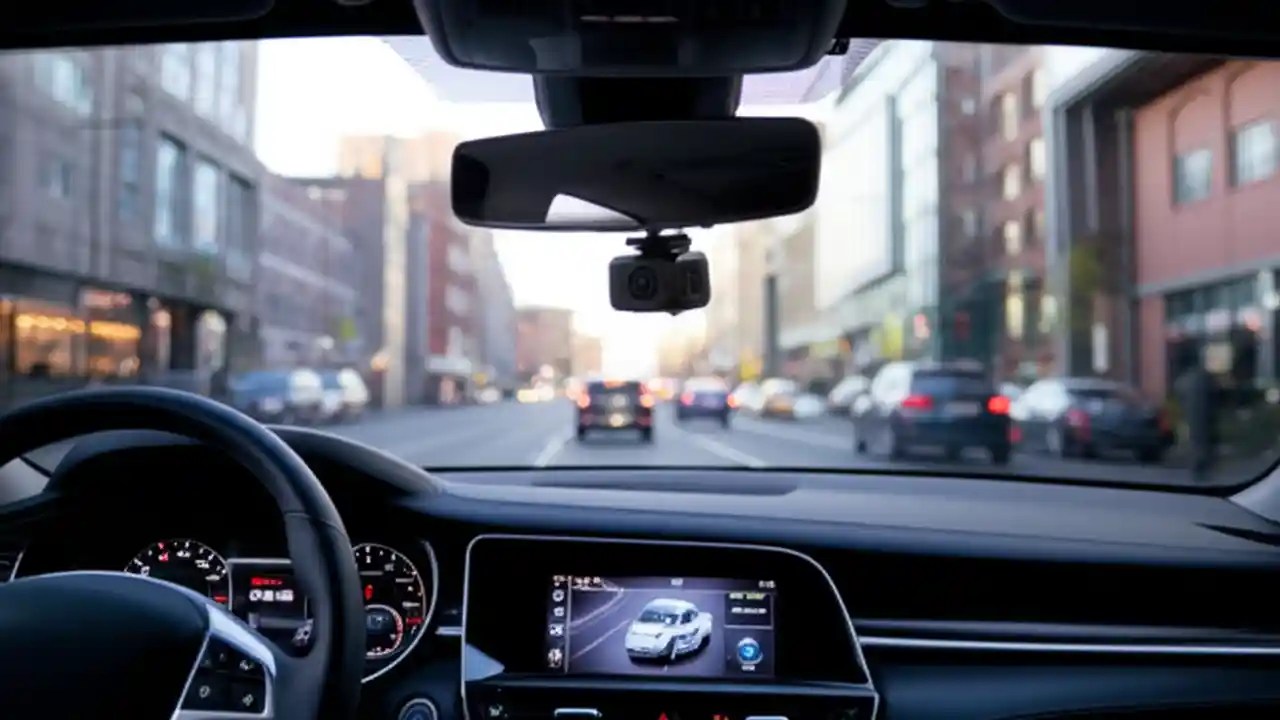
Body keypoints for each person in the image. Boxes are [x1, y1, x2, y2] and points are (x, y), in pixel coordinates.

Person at [1176, 361, 1217, 483]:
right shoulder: (1205, 379)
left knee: (1195, 439)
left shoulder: (1184, 380)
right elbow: (1215, 395)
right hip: (1204, 414)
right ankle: (1202, 464)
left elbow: (1179, 394)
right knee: (1203, 439)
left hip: (1192, 414)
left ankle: (1197, 464)